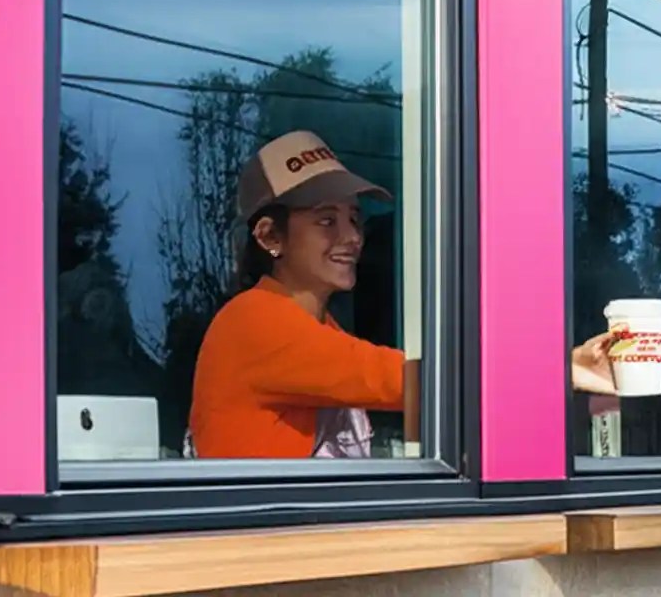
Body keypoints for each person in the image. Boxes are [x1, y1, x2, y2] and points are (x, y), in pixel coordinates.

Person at [189, 131, 621, 459]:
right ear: (269, 236)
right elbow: (401, 381)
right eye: (326, 221)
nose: (351, 237)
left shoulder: (320, 329)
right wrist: (557, 371)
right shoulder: (254, 321)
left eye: (354, 220)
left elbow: (428, 401)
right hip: (259, 565)